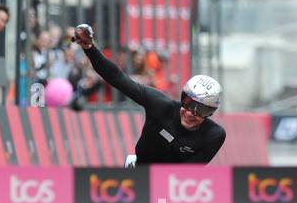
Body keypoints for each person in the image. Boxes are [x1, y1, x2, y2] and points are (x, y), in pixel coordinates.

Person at [73, 23, 225, 164]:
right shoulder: (160, 104)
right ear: (182, 98)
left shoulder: (214, 135)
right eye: (189, 104)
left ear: (210, 113)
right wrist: (90, 48)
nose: (191, 113)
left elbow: (189, 174)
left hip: (172, 182)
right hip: (140, 172)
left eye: (201, 110)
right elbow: (117, 78)